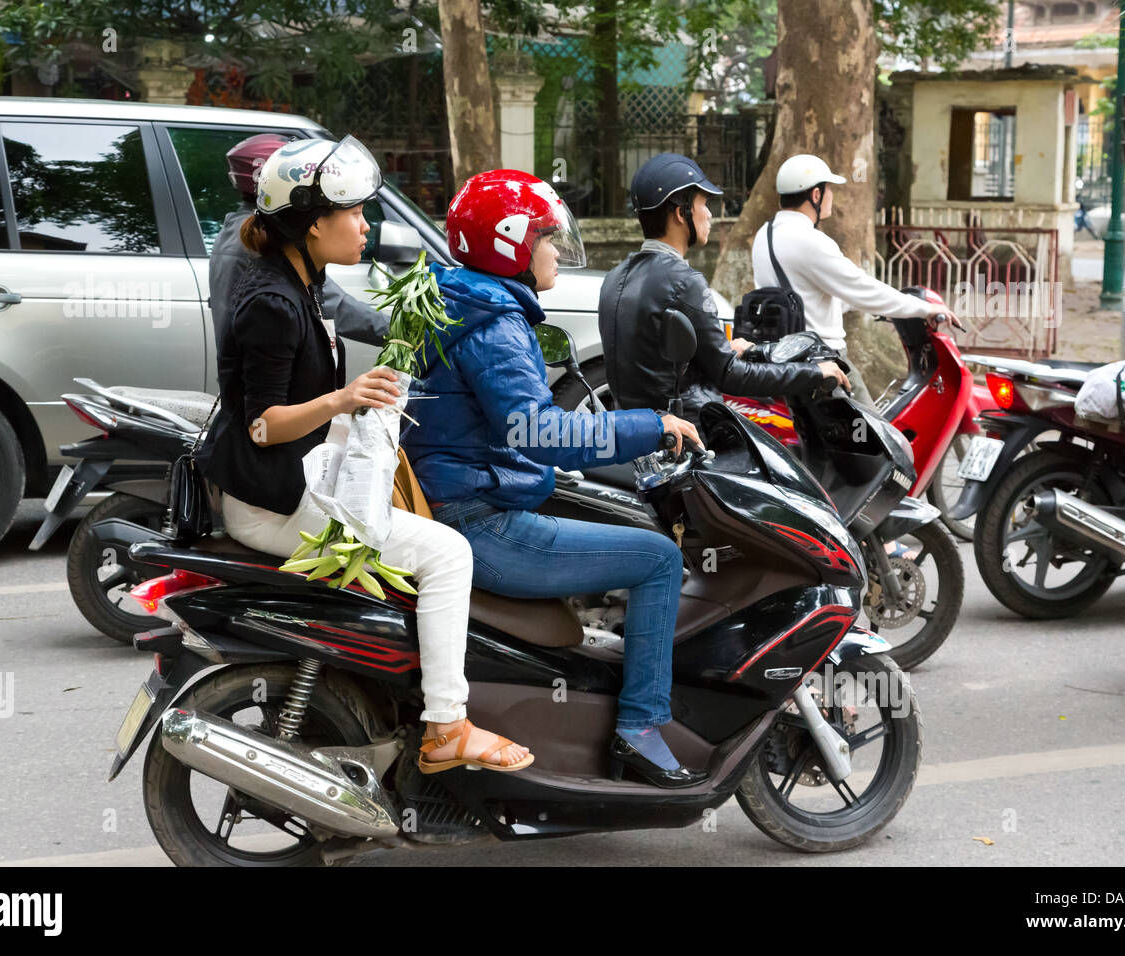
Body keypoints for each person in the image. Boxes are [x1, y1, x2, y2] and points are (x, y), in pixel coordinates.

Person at [195, 138, 531, 773]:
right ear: (315, 225)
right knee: (449, 552)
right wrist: (343, 399)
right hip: (271, 503)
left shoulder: (303, 280)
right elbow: (263, 427)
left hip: (291, 483)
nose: (365, 225)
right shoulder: (271, 302)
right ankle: (446, 726)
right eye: (353, 214)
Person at [403, 168, 707, 789]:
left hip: (461, 493)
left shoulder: (455, 297)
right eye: (547, 237)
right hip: (478, 518)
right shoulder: (493, 324)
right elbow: (537, 432)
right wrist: (654, 425)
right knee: (655, 559)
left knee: (621, 518)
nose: (558, 251)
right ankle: (641, 728)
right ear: (512, 244)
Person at [599, 152, 849, 424]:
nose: (709, 215)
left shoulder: (614, 277)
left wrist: (724, 348)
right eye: (704, 204)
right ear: (681, 213)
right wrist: (813, 372)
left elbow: (655, 361)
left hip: (636, 430)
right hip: (688, 436)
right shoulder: (684, 281)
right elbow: (730, 376)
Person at [753, 153, 957, 403]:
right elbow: (864, 288)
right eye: (829, 190)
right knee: (874, 433)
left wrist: (852, 305)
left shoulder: (766, 233)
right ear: (815, 195)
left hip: (781, 357)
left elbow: (802, 294)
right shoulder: (811, 241)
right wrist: (924, 309)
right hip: (821, 360)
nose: (832, 197)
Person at [210, 133, 389, 351]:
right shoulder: (265, 254)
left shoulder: (239, 230)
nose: (365, 225)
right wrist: (410, 333)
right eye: (354, 213)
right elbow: (338, 307)